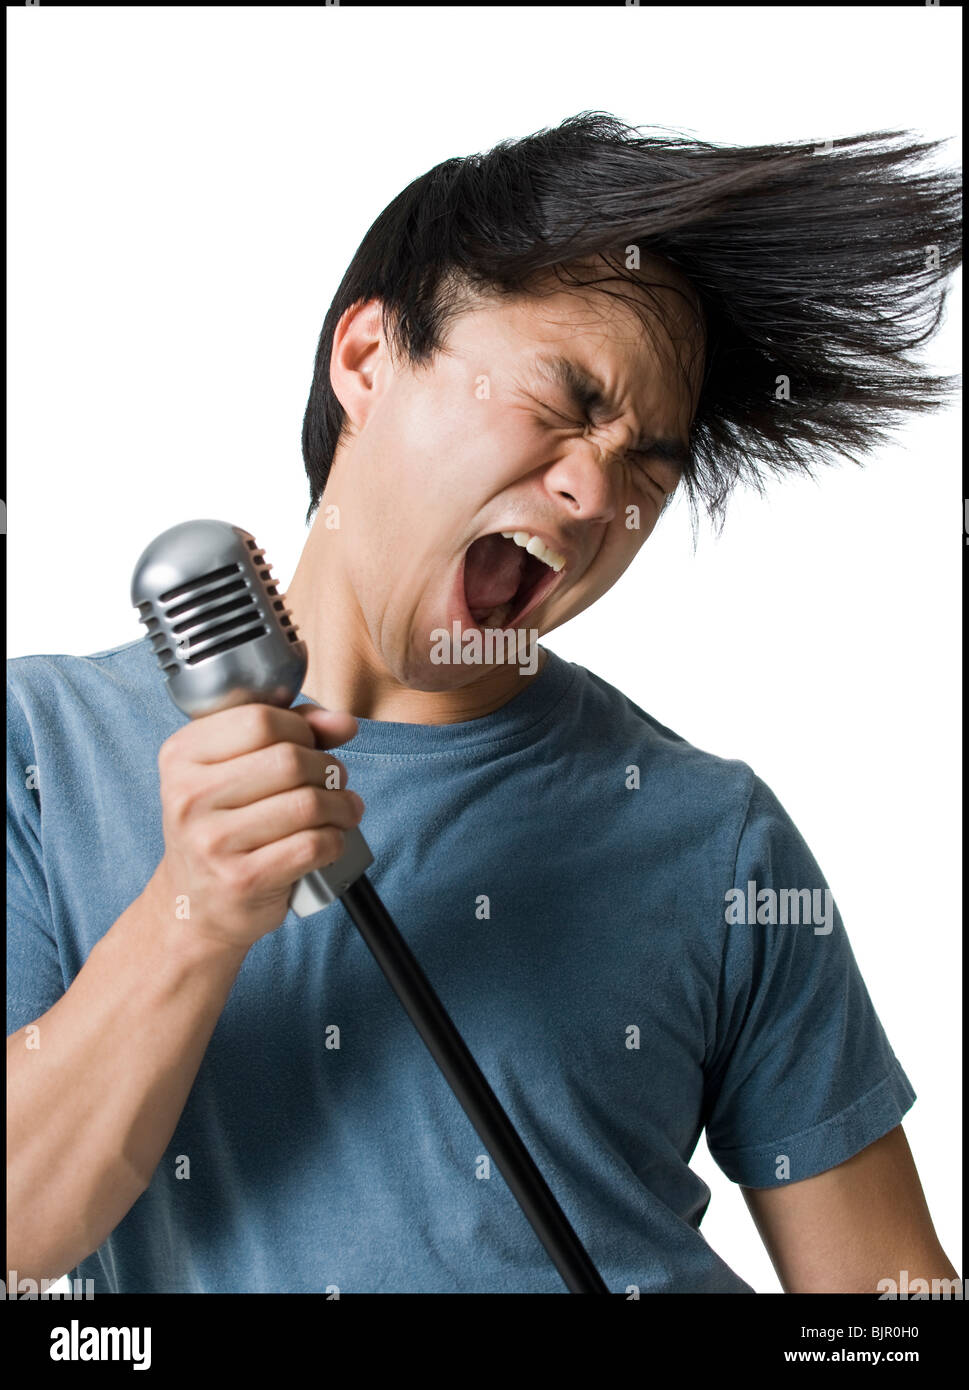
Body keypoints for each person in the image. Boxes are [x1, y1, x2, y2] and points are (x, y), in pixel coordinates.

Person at [7, 113, 961, 1295]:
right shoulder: (45, 750)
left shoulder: (716, 833)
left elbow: (888, 1303)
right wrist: (191, 913)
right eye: (562, 400)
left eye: (649, 466)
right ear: (366, 358)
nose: (594, 490)